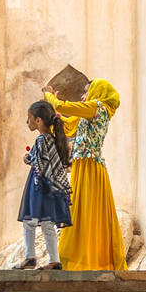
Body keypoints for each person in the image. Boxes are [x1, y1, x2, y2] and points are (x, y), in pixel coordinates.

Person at [42, 78, 126, 271]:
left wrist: (48, 95)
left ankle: (77, 258)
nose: (83, 96)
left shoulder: (97, 107)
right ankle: (86, 257)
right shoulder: (92, 112)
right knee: (84, 212)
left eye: (86, 91)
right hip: (87, 166)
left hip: (89, 166)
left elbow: (65, 107)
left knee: (81, 211)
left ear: (98, 91)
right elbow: (69, 124)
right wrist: (53, 109)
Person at [16, 100, 73, 270]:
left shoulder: (41, 139)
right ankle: (54, 260)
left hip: (40, 184)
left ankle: (30, 257)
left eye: (29, 118)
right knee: (47, 223)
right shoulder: (53, 139)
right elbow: (50, 162)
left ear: (39, 120)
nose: (28, 122)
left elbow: (40, 164)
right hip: (52, 187)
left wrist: (28, 159)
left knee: (30, 221)